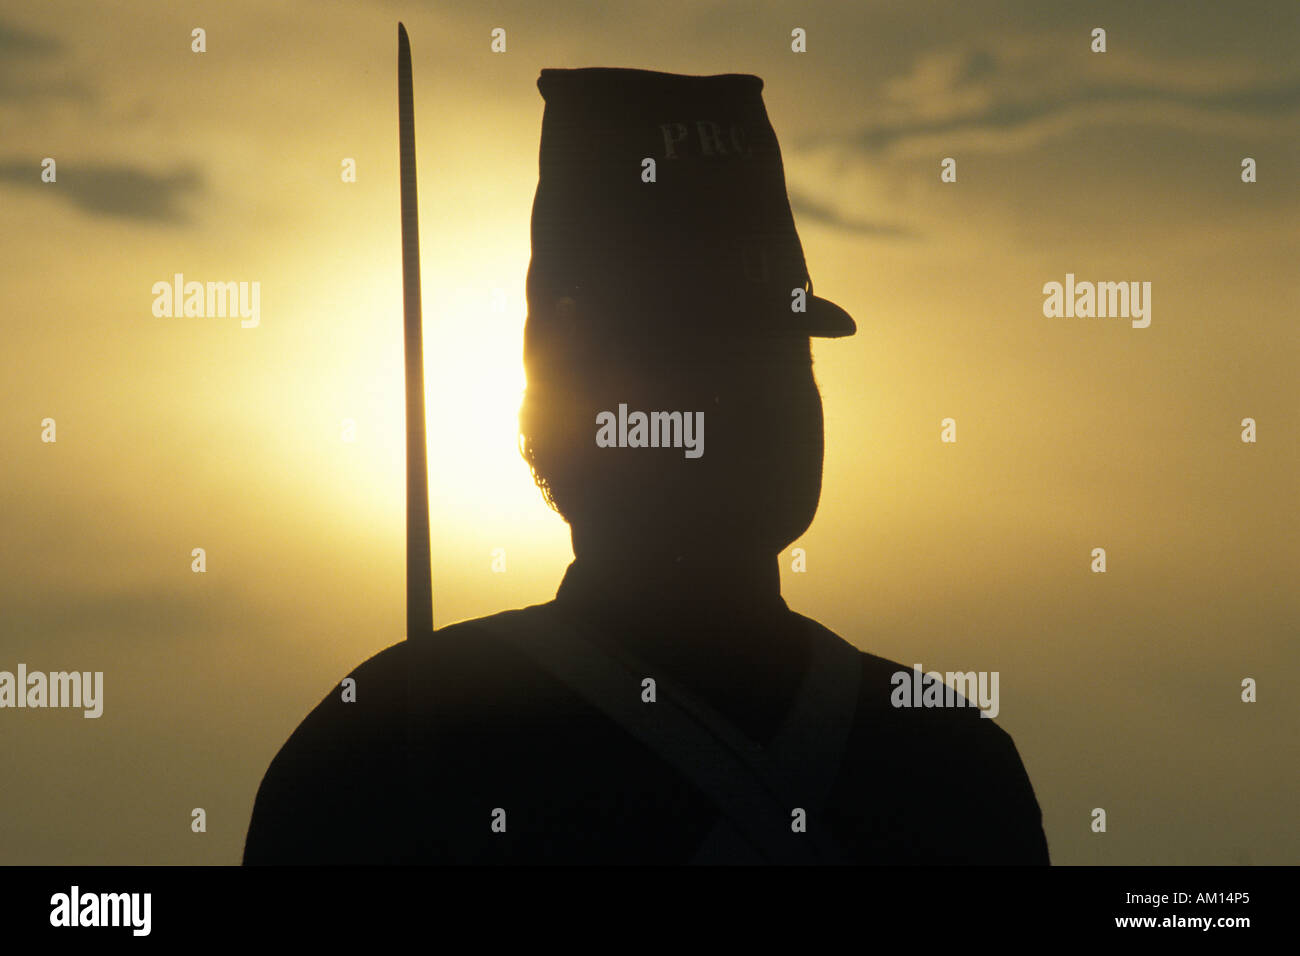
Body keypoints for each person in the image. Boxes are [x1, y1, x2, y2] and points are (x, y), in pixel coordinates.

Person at [244, 67, 1049, 865]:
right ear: (556, 409)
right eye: (687, 364)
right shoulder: (383, 756)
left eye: (783, 361)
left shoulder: (952, 770)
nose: (750, 406)